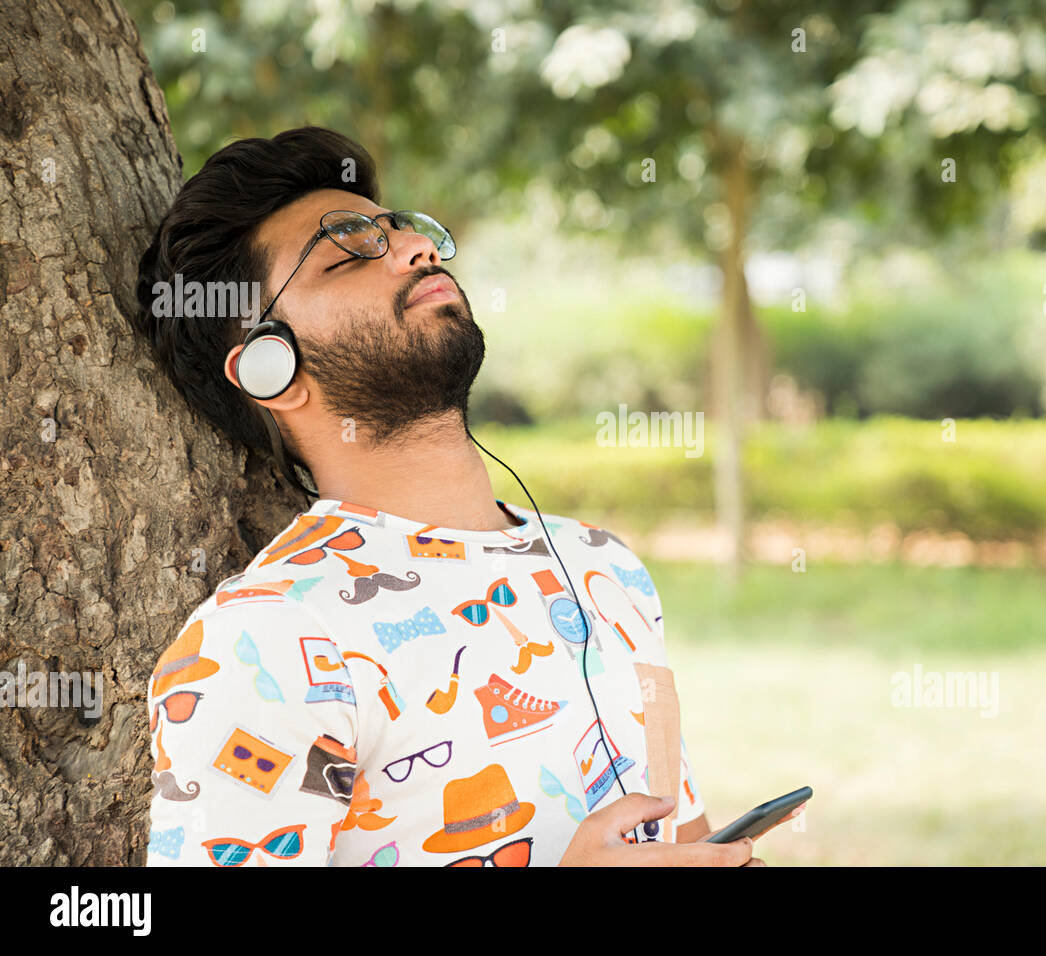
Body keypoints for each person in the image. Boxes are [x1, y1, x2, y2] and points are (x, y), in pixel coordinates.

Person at [131, 127, 801, 866]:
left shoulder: (605, 566)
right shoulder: (267, 638)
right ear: (271, 369)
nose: (416, 248)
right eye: (349, 249)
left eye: (402, 230)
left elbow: (676, 832)